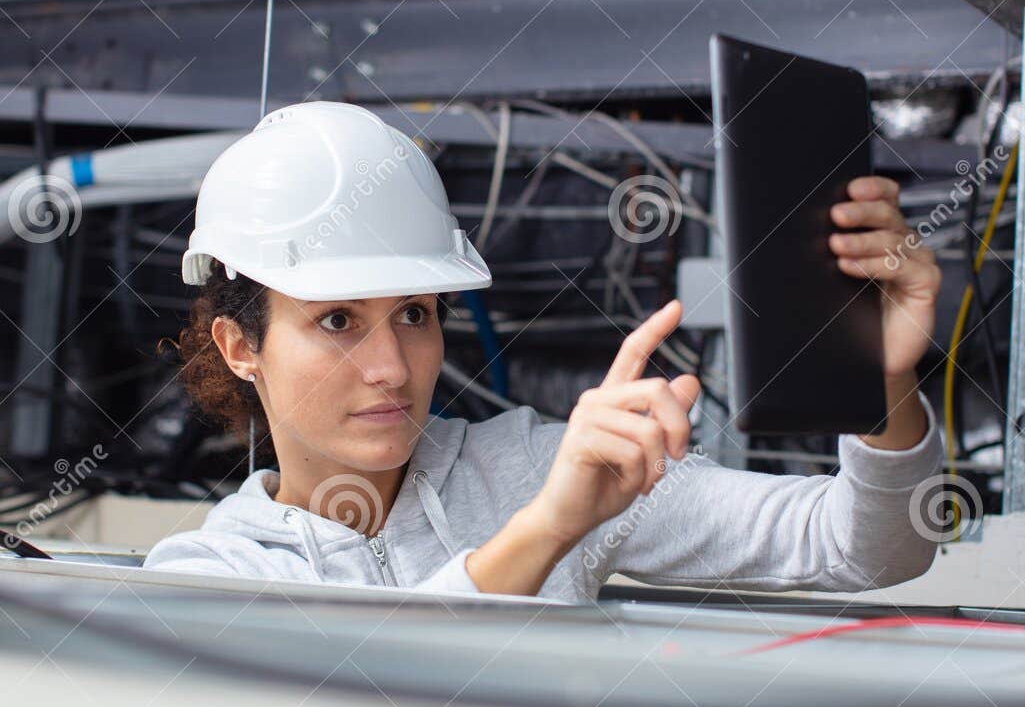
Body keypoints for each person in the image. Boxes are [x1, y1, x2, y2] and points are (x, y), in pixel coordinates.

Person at [145, 102, 944, 602]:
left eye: (415, 313)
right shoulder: (210, 578)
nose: (391, 366)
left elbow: (868, 551)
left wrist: (880, 376)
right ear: (241, 344)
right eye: (337, 321)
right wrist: (549, 530)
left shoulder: (532, 468)